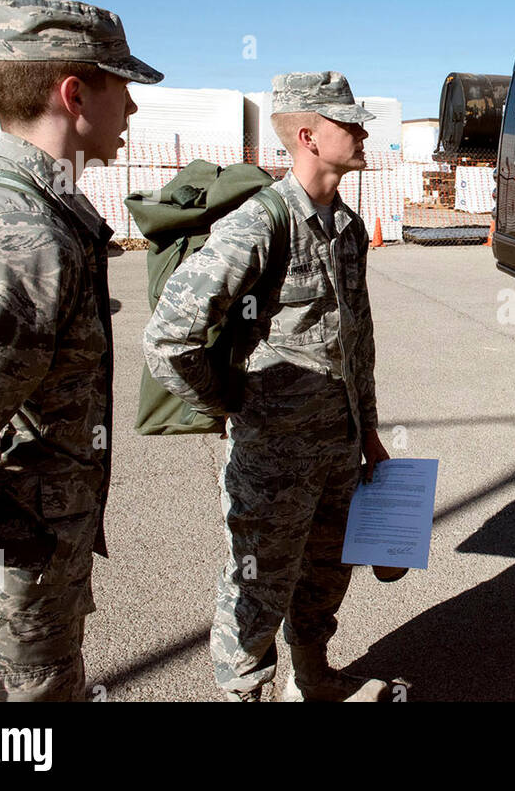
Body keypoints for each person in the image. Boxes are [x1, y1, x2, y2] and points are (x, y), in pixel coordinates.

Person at [0, 0, 162, 700]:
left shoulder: (21, 210)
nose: (132, 111)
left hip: (5, 573)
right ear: (73, 93)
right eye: (123, 88)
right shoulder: (23, 242)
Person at [144, 71, 390, 702]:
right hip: (272, 457)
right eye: (350, 123)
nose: (364, 132)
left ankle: (312, 677)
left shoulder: (349, 228)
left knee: (325, 577)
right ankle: (244, 693)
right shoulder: (260, 224)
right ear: (307, 135)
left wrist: (370, 433)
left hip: (339, 445)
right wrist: (230, 406)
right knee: (257, 587)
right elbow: (170, 338)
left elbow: (354, 344)